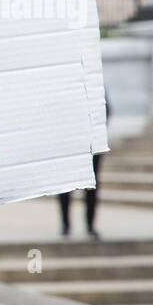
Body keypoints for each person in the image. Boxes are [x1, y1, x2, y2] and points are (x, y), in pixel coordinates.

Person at [58, 94, 111, 238]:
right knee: (65, 187)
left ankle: (90, 225)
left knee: (90, 187)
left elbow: (107, 111)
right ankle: (66, 224)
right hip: (69, 146)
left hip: (91, 146)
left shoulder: (94, 87)